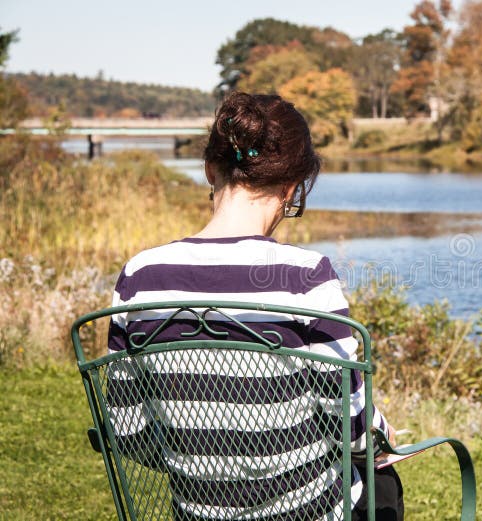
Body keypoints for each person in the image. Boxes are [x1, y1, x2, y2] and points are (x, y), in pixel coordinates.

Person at [107, 92, 403, 521]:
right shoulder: (306, 277)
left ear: (210, 170)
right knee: (383, 483)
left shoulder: (140, 275)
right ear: (291, 188)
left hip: (196, 513)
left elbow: (127, 430)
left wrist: (206, 465)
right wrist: (382, 432)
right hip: (308, 514)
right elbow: (354, 432)